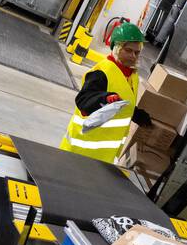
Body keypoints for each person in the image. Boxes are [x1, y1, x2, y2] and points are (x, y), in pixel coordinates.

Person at [60, 21, 151, 162]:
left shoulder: (132, 75)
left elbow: (122, 102)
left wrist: (136, 114)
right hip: (80, 151)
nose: (133, 56)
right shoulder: (103, 72)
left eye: (137, 52)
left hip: (104, 156)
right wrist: (104, 98)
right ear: (117, 48)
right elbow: (83, 101)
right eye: (128, 50)